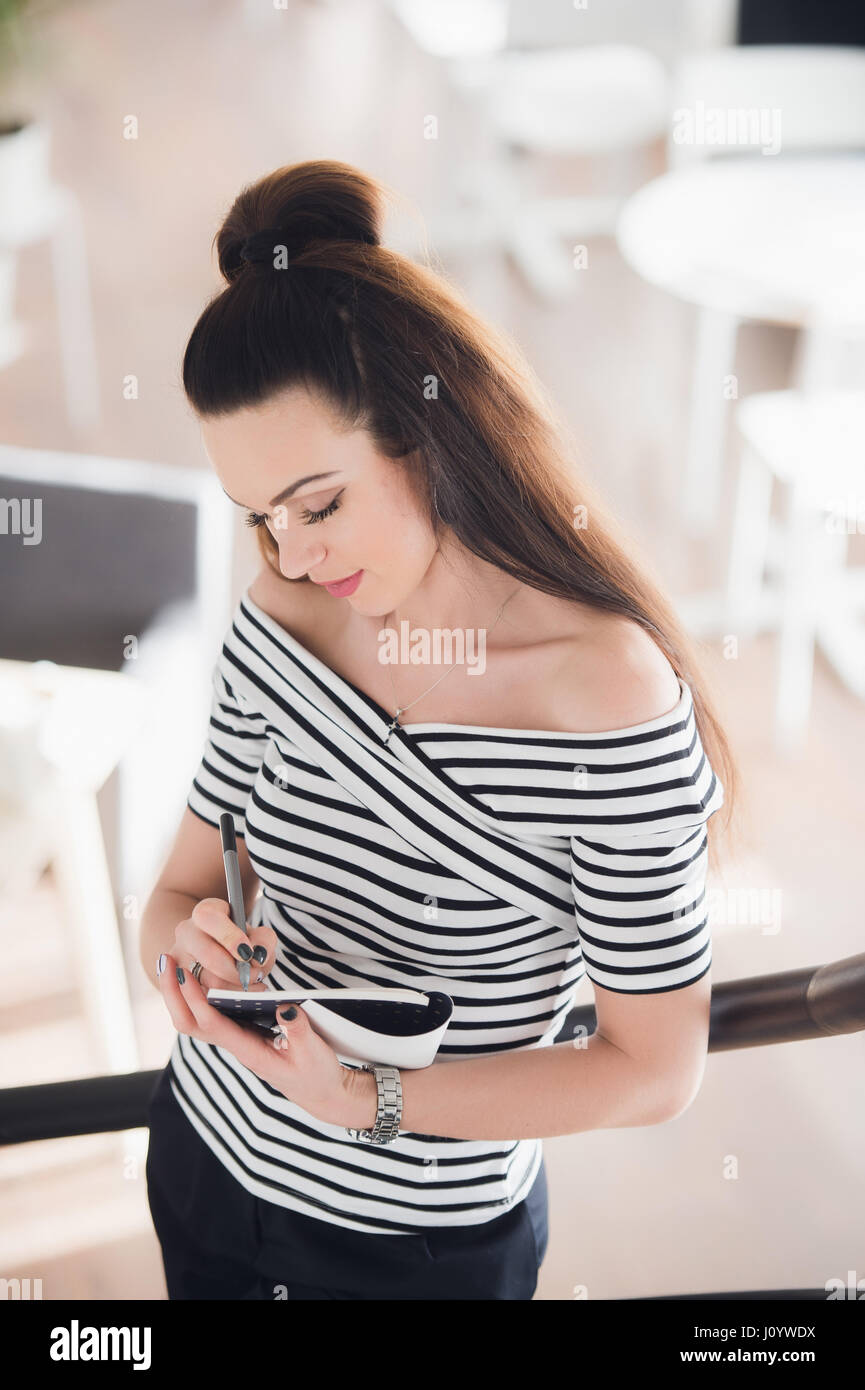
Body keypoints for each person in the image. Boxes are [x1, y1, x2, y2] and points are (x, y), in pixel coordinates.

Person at [140, 158, 740, 1301]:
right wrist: (186, 952)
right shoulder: (286, 610)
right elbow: (170, 896)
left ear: (428, 430)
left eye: (317, 503)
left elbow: (654, 1068)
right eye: (262, 519)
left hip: (410, 1252)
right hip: (204, 1165)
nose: (297, 552)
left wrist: (373, 1100)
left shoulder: (604, 698)